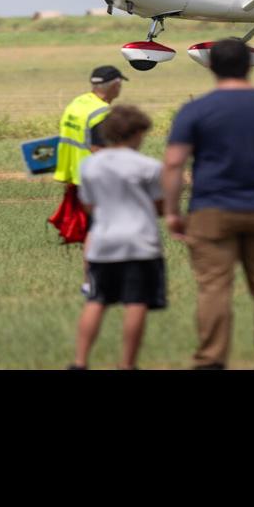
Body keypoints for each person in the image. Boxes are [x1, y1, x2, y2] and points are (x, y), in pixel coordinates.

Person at [161, 37, 254, 369]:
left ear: (211, 66)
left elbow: (173, 163)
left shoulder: (195, 110)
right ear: (249, 64)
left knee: (214, 288)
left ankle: (211, 359)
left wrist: (171, 211)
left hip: (211, 209)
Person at [69, 105, 166, 370]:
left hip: (102, 242)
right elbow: (160, 206)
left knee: (97, 301)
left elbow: (88, 205)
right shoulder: (149, 166)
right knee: (136, 302)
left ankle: (79, 362)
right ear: (135, 133)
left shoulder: (89, 166)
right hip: (140, 243)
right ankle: (127, 364)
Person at [53, 66, 125, 282]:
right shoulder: (101, 112)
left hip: (75, 174)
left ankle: (92, 280)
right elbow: (97, 148)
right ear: (115, 85)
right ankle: (96, 279)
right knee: (101, 230)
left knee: (92, 230)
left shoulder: (78, 103)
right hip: (96, 178)